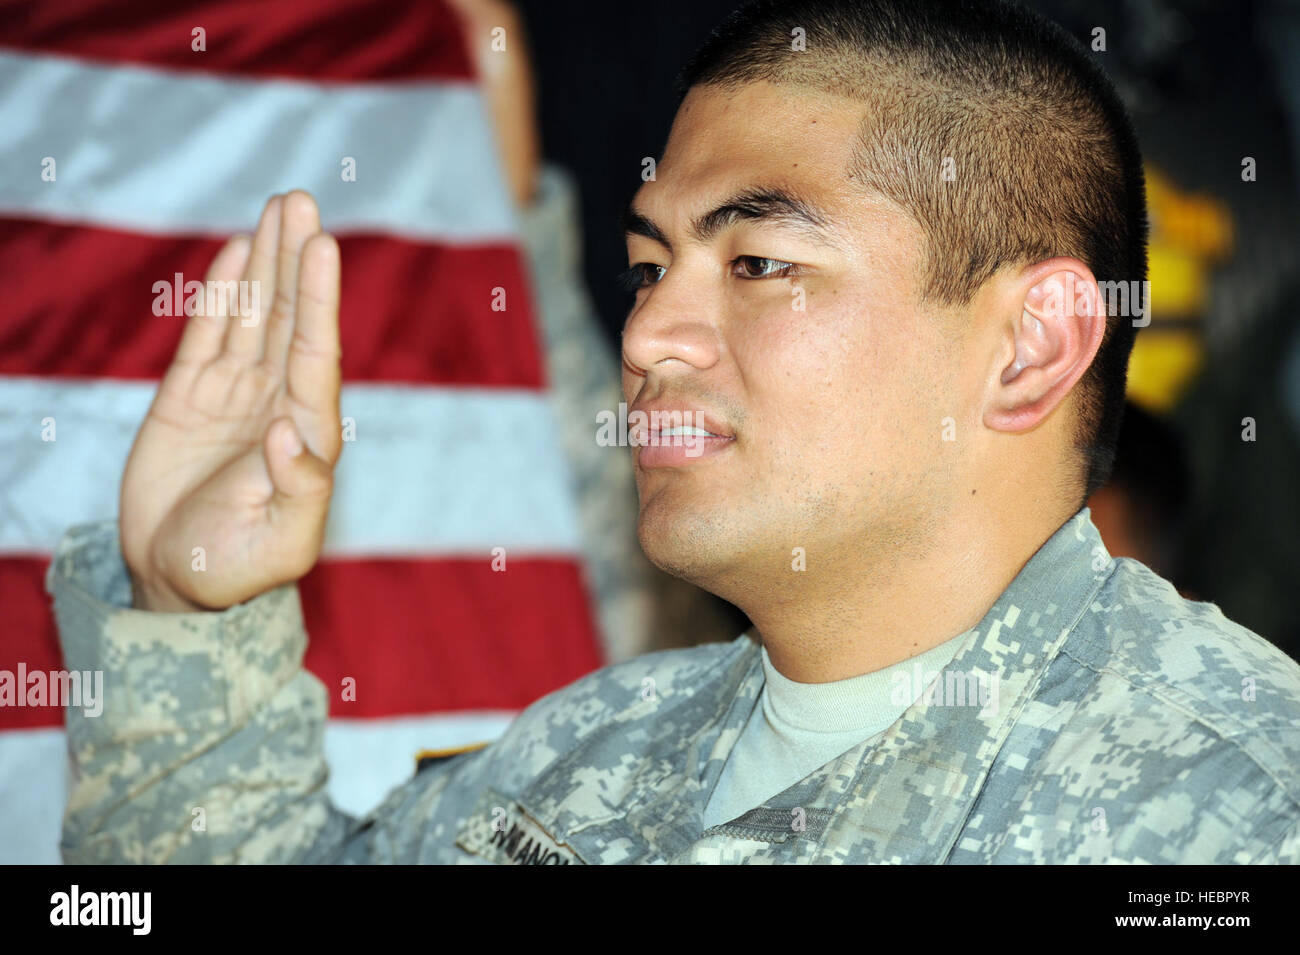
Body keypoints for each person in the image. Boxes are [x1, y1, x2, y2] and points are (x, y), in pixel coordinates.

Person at [48, 0, 1300, 863]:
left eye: (757, 262)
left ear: (1028, 346)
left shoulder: (1243, 807)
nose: (647, 337)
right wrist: (187, 617)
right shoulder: (590, 748)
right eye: (650, 267)